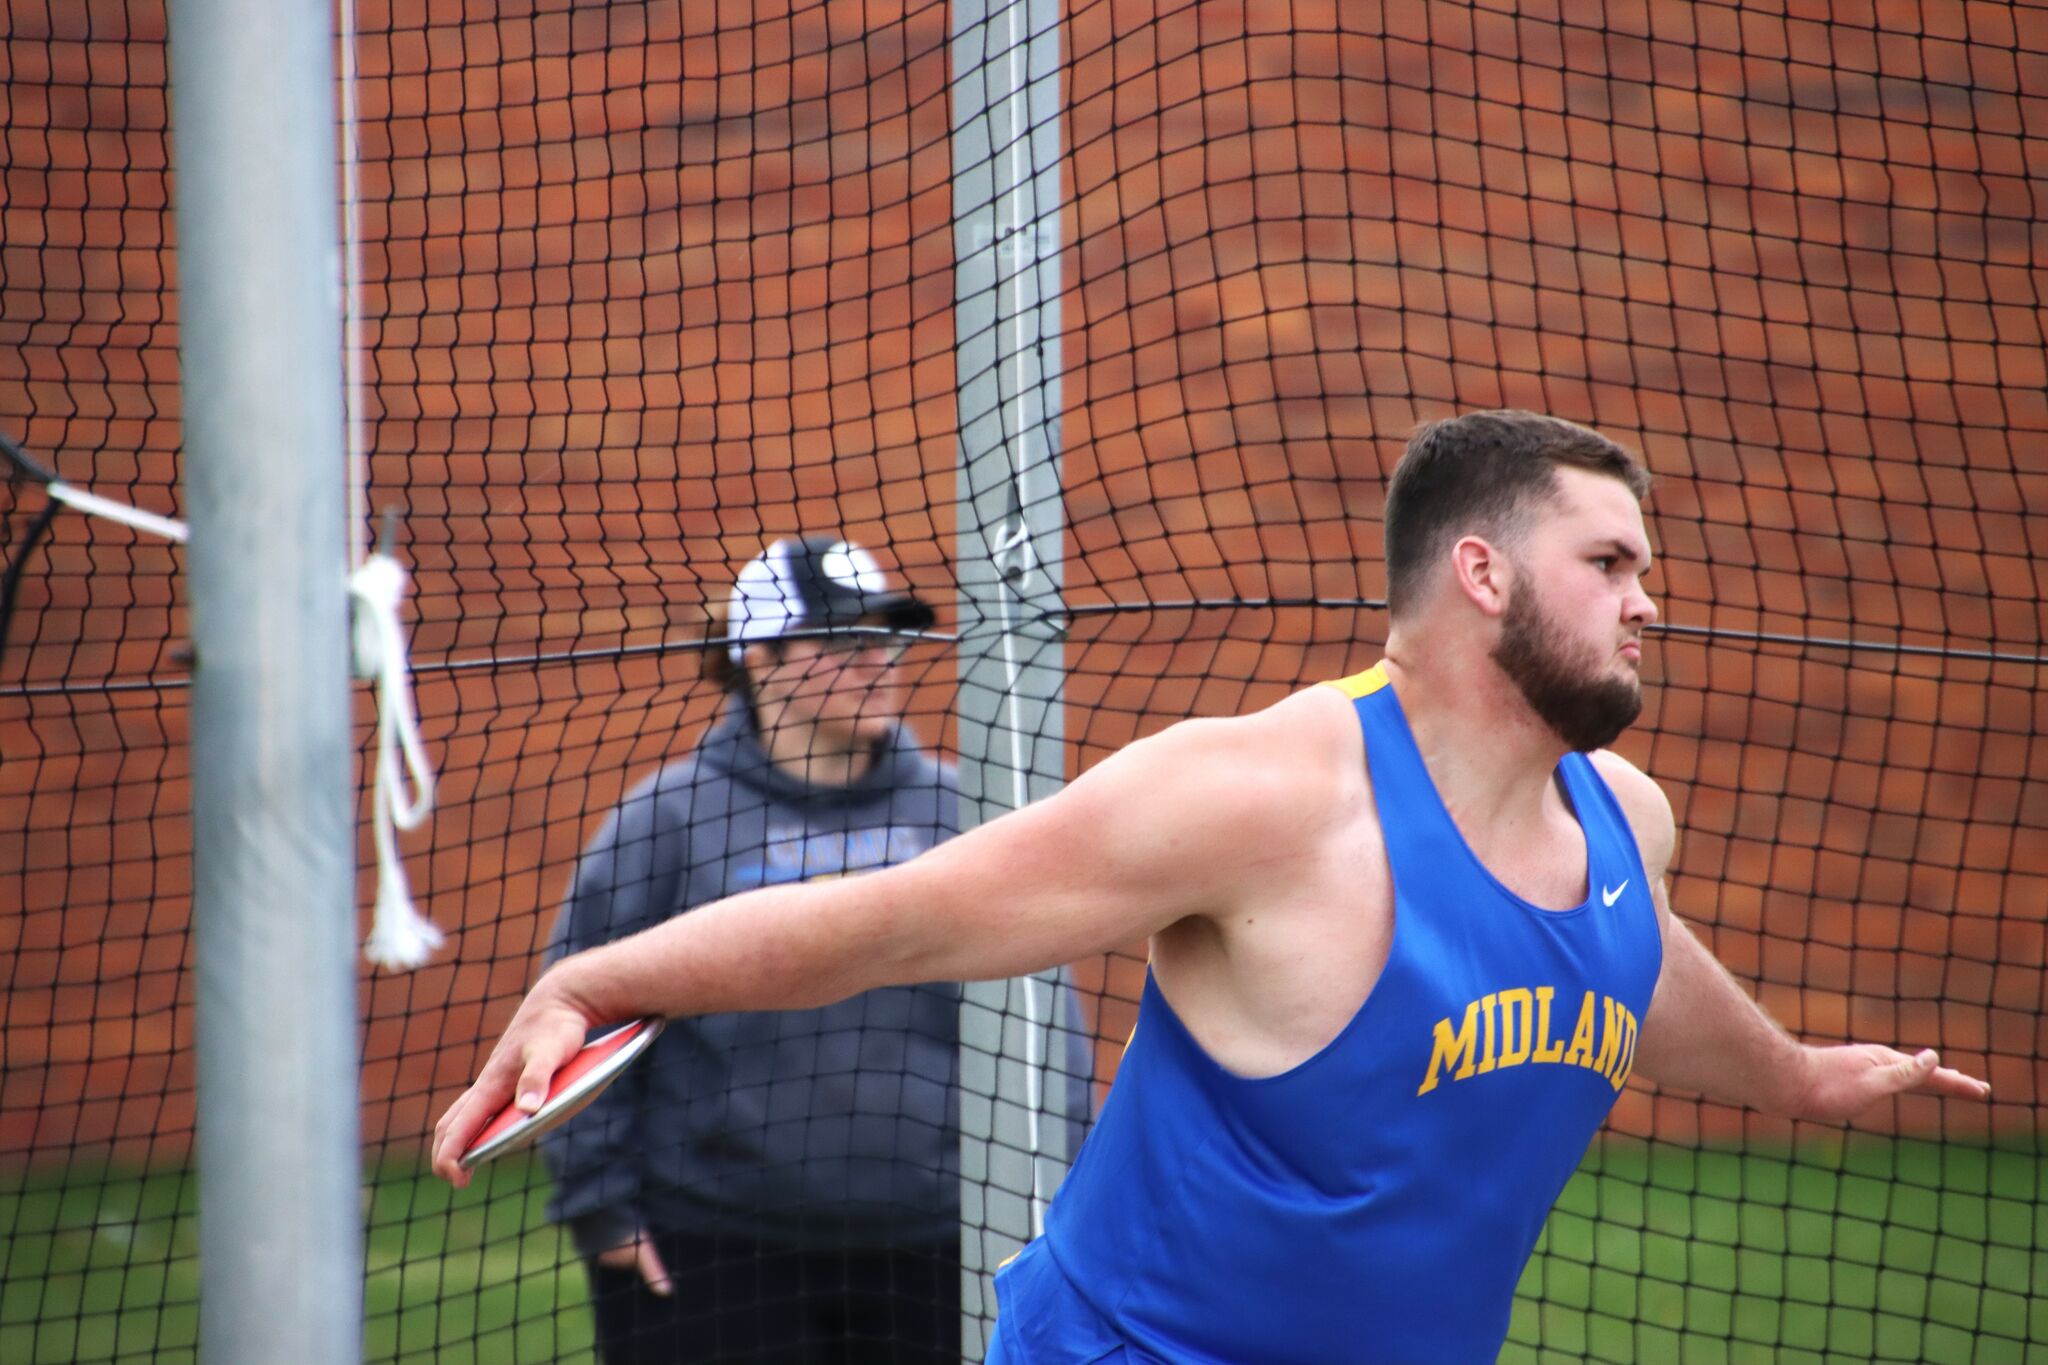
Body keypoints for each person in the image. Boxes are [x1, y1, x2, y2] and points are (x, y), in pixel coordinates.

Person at [437, 413, 1989, 1365]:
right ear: (1483, 573)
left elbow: (1633, 969)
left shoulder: (1623, 822)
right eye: (1612, 562)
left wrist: (1794, 1072)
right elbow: (903, 915)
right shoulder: (1264, 796)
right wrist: (604, 978)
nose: (1649, 602)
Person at [538, 535, 1085, 1365]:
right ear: (759, 659)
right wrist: (603, 1208)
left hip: (948, 1242)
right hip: (715, 1249)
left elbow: (1047, 1020)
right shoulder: (668, 821)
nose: (878, 662)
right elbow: (582, 1014)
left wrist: (1060, 1196)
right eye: (841, 640)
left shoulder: (963, 810)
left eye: (885, 637)